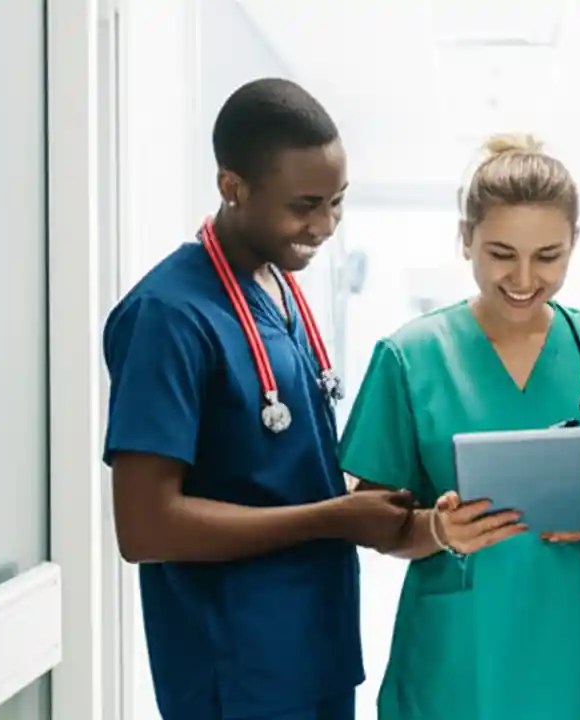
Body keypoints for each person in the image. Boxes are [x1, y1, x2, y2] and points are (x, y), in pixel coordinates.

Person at [101, 78, 414, 720]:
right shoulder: (170, 316)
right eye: (304, 205)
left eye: (337, 203)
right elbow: (145, 526)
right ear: (232, 187)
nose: (324, 226)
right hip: (237, 669)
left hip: (315, 650)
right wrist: (331, 518)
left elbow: (275, 470)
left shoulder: (274, 287)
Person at [338, 134, 580, 720]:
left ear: (575, 245)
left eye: (548, 256)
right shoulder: (410, 355)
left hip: (571, 648)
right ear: (466, 240)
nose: (524, 277)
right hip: (457, 654)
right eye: (501, 253)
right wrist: (438, 528)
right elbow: (370, 520)